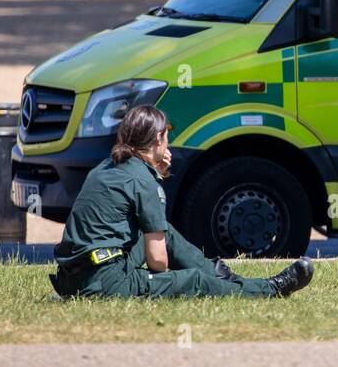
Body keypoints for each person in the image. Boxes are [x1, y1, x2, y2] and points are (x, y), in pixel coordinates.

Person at [51, 105, 312, 299]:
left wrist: (156, 173)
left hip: (70, 279)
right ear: (157, 139)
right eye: (166, 137)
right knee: (195, 280)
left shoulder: (104, 168)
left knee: (164, 231)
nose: (168, 144)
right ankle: (270, 289)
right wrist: (171, 282)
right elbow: (158, 262)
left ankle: (226, 279)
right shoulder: (144, 181)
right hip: (105, 282)